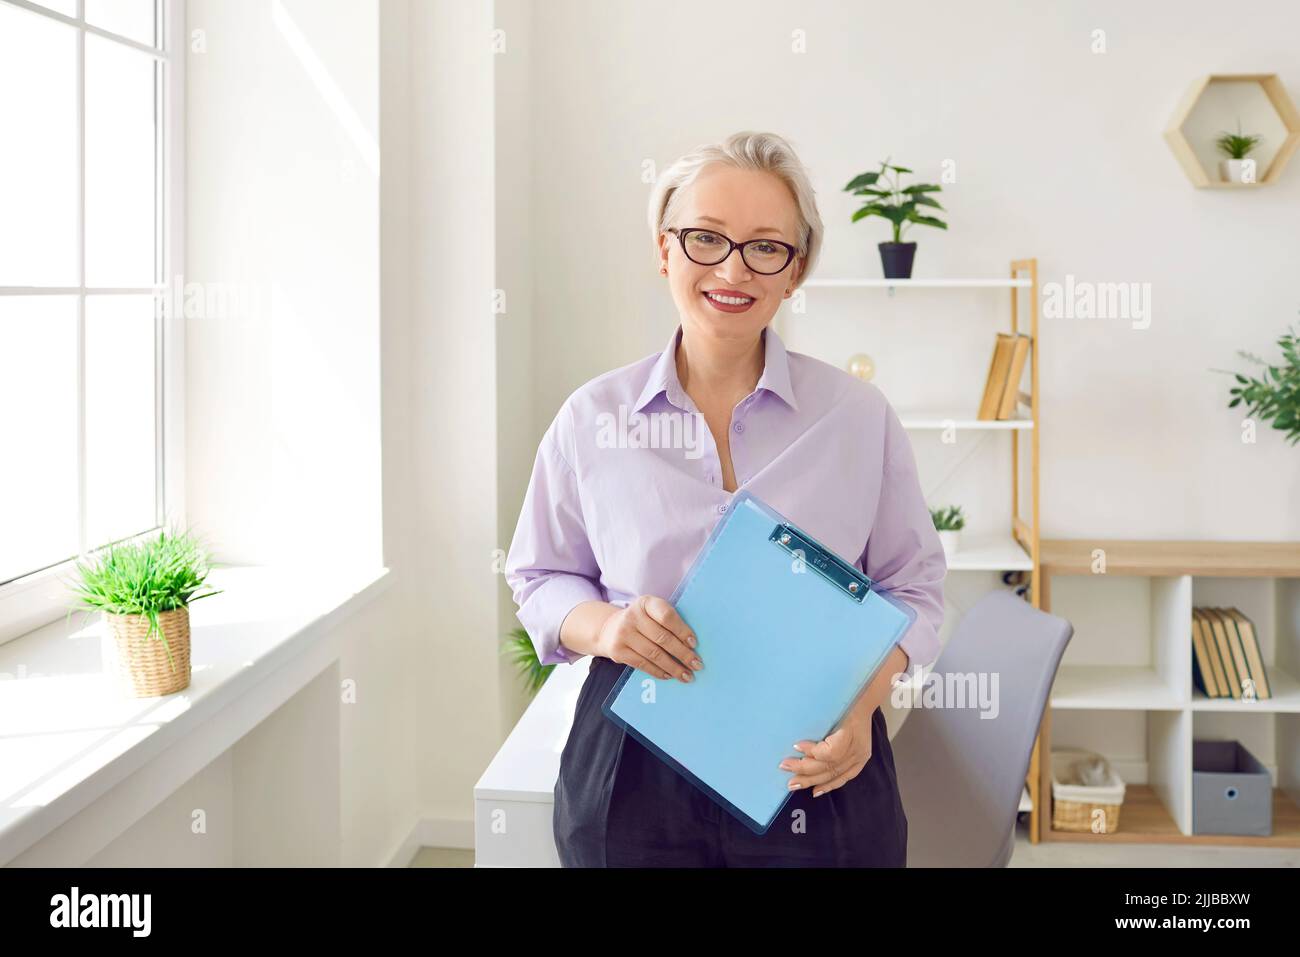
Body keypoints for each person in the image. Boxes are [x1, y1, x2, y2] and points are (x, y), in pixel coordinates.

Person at [504, 130, 946, 867]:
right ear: (665, 249)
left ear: (795, 268)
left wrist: (864, 702)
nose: (732, 268)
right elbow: (539, 578)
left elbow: (916, 587)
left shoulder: (858, 418)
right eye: (705, 238)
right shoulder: (592, 417)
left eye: (765, 246)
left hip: (814, 757)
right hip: (632, 768)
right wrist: (609, 628)